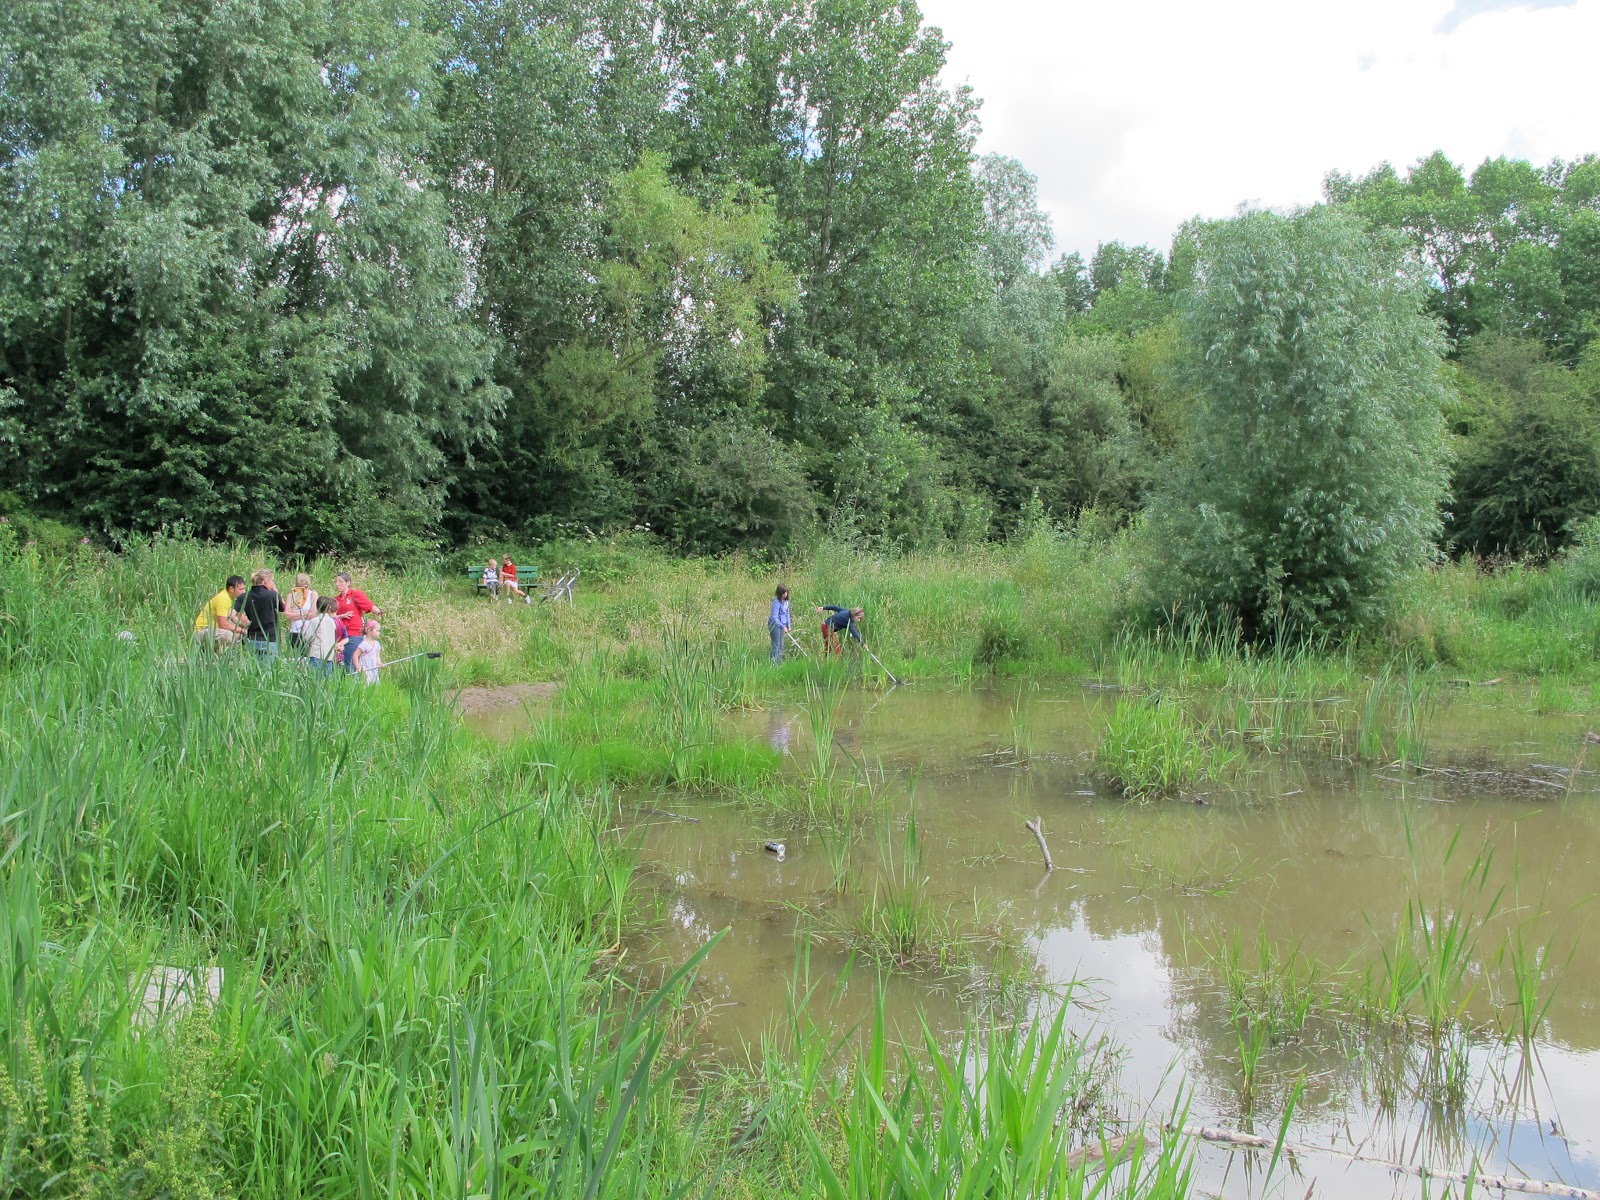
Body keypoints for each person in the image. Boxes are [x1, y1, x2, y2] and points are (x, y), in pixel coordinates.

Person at [332, 572, 380, 674]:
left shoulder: (355, 594)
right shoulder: (336, 600)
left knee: (351, 664)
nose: (337, 584)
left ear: (348, 583)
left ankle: (353, 686)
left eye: (340, 581)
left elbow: (368, 604)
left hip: (354, 634)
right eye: (336, 581)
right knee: (340, 664)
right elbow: (331, 616)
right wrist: (341, 616)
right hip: (341, 636)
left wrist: (377, 611)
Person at [193, 576, 248, 651]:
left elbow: (236, 615)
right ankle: (211, 653)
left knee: (238, 633)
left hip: (213, 629)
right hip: (203, 631)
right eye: (241, 589)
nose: (244, 592)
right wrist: (243, 630)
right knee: (229, 636)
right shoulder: (223, 599)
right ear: (231, 589)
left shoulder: (229, 598)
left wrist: (248, 625)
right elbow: (223, 624)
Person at [242, 568, 284, 661]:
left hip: (252, 637)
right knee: (269, 671)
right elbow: (283, 607)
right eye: (272, 581)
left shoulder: (245, 596)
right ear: (265, 581)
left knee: (254, 670)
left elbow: (233, 614)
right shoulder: (272, 595)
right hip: (270, 638)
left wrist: (244, 625)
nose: (273, 583)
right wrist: (275, 590)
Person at [303, 596, 341, 674]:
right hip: (329, 655)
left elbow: (308, 637)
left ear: (317, 607)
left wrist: (304, 630)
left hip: (317, 654)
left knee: (316, 679)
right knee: (327, 679)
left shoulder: (315, 621)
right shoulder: (332, 621)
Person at [284, 573, 319, 653]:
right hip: (295, 631)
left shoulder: (313, 594)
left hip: (309, 631)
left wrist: (294, 614)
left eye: (304, 588)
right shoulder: (291, 595)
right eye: (299, 587)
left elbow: (313, 613)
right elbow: (287, 615)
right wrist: (305, 613)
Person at [354, 619, 383, 684]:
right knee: (365, 684)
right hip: (365, 669)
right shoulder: (364, 644)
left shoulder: (377, 643)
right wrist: (358, 668)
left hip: (373, 668)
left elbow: (377, 656)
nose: (379, 632)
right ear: (369, 630)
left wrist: (379, 663)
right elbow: (355, 656)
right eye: (377, 631)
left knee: (374, 684)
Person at [769, 585, 792, 663]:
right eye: (783, 593)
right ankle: (774, 663)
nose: (785, 594)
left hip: (782, 624)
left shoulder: (786, 602)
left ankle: (779, 662)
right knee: (776, 644)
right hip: (774, 624)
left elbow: (787, 613)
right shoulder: (776, 602)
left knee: (781, 644)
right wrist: (782, 626)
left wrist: (788, 625)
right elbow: (774, 617)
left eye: (786, 592)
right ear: (779, 593)